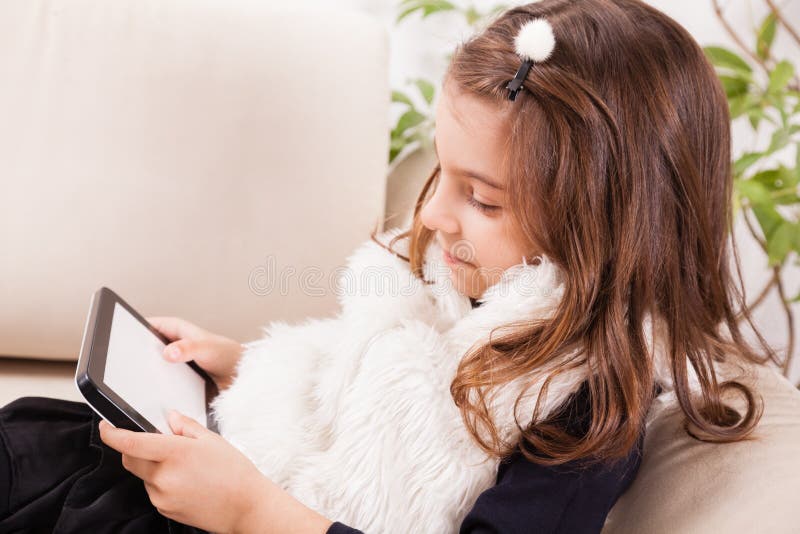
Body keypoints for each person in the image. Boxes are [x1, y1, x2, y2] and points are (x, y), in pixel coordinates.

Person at [0, 0, 777, 532]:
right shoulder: (459, 283)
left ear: (604, 227)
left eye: (483, 199)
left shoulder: (583, 411)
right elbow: (373, 396)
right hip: (213, 461)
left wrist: (248, 512)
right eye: (443, 172)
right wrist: (238, 368)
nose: (433, 214)